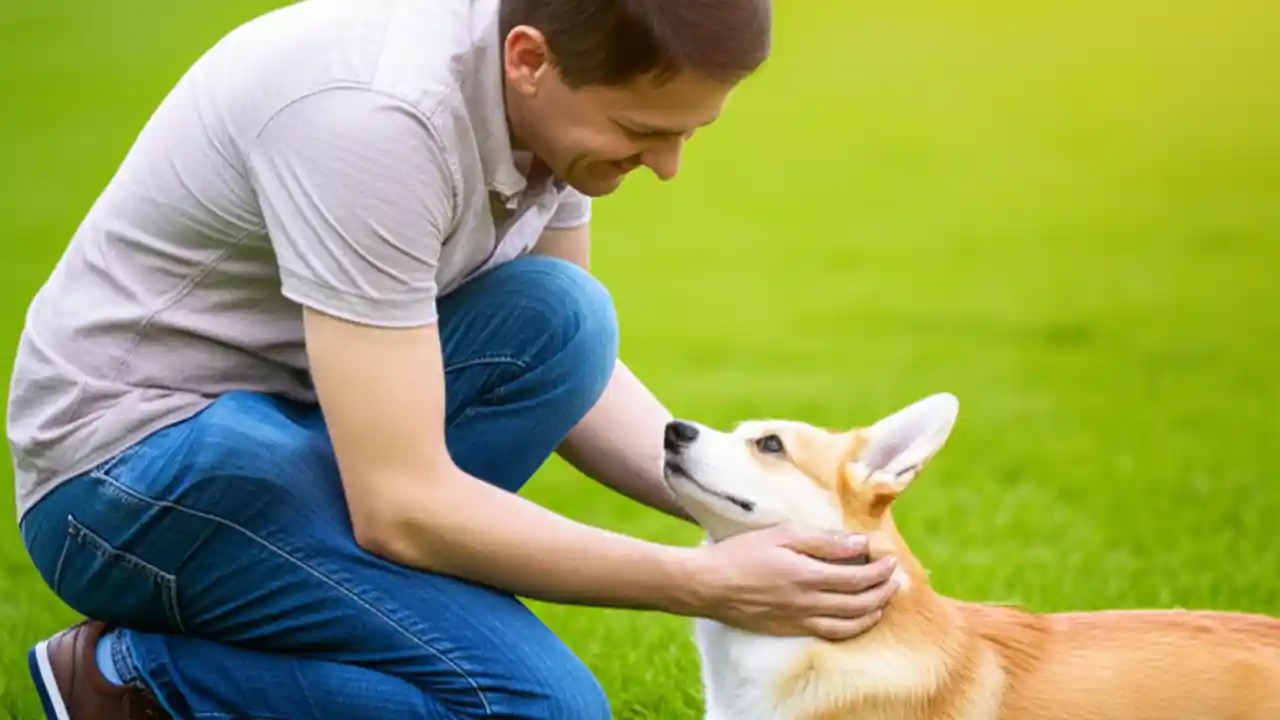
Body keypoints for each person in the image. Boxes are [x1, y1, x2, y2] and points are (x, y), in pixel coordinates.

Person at [8, 0, 899, 717]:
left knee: (567, 317)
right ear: (528, 59)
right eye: (641, 128)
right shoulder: (375, 122)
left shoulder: (547, 118)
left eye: (687, 133)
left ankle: (285, 617)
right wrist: (702, 581)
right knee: (535, 711)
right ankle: (134, 682)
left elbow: (565, 375)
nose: (665, 166)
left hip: (292, 439)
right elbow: (398, 504)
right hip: (129, 480)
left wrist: (755, 510)